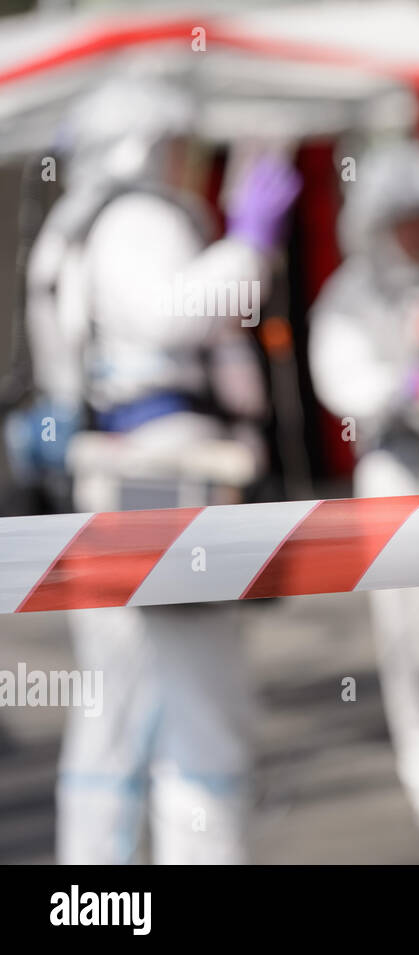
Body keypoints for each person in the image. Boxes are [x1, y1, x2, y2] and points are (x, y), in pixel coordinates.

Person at [25, 73, 300, 864]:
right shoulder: (138, 219)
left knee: (114, 707)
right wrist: (247, 242)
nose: (190, 163)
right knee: (203, 710)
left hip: (112, 482)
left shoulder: (72, 228)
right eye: (180, 146)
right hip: (164, 480)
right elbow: (179, 313)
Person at [308, 139, 419, 839]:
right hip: (397, 473)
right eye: (403, 219)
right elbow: (343, 382)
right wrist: (407, 389)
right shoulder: (347, 298)